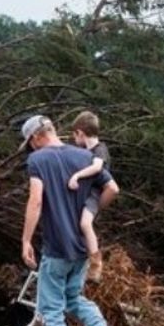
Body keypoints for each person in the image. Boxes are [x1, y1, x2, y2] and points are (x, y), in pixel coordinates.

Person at [20, 114, 118, 326]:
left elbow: (36, 201)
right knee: (73, 298)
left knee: (51, 309)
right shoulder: (85, 157)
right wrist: (90, 213)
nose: (30, 148)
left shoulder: (37, 160)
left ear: (37, 137)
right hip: (82, 249)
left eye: (30, 143)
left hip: (56, 248)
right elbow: (112, 189)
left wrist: (26, 239)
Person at [66, 111, 110, 282]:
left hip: (95, 193)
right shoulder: (85, 150)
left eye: (74, 135)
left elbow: (97, 167)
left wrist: (76, 176)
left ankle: (96, 261)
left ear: (80, 133)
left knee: (85, 223)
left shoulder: (100, 150)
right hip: (86, 193)